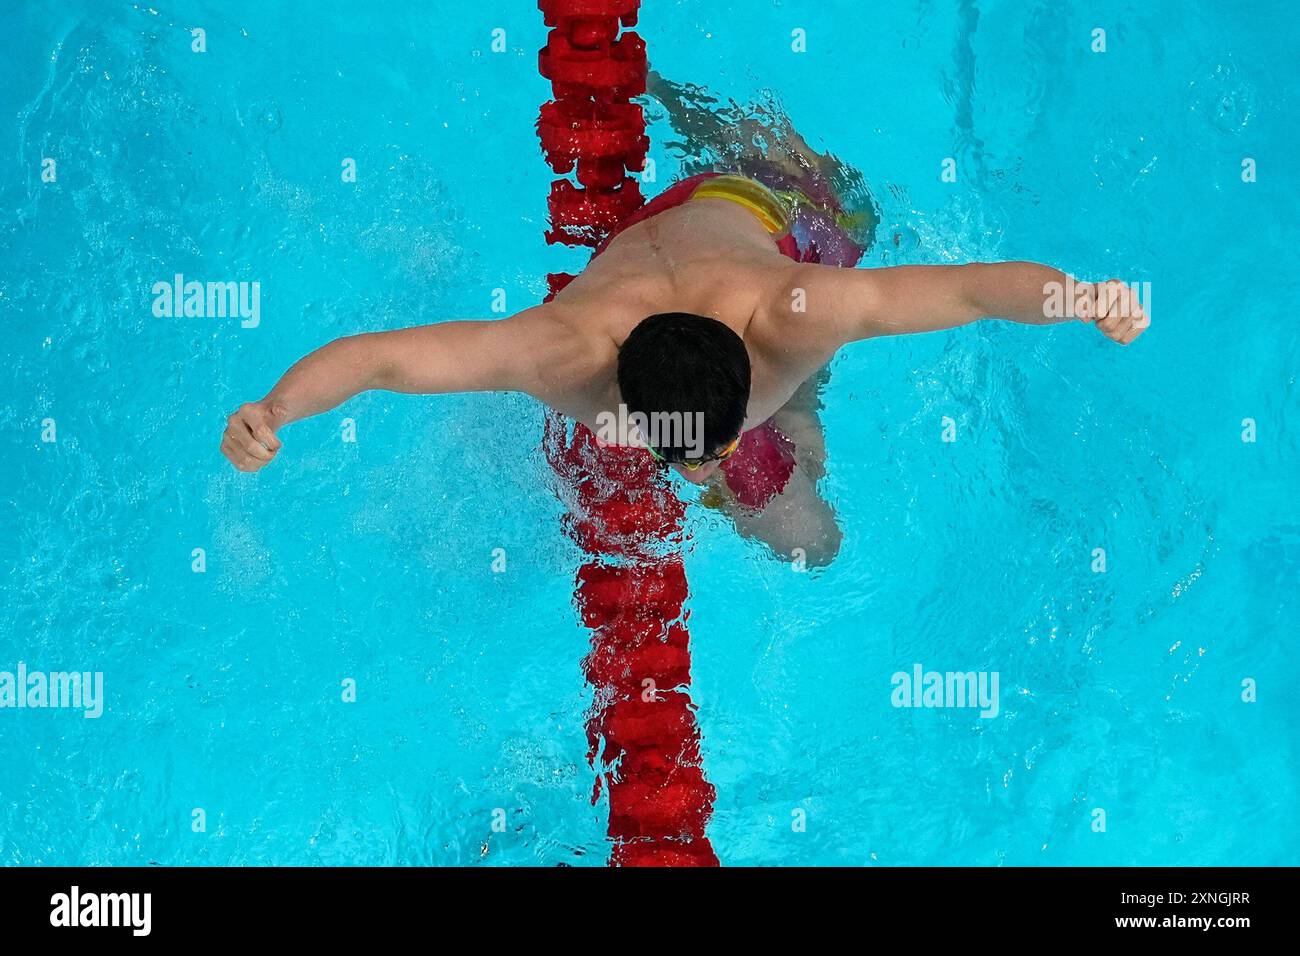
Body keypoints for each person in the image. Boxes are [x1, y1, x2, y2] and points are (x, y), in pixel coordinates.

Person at [220, 80, 1148, 566]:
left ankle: (695, 108)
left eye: (704, 451)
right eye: (685, 456)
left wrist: (1085, 297)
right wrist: (275, 409)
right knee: (804, 536)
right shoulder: (564, 349)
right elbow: (382, 362)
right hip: (651, 240)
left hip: (760, 216)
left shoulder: (798, 309)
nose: (698, 469)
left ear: (751, 367)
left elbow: (976, 289)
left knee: (846, 203)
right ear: (616, 379)